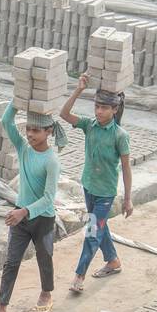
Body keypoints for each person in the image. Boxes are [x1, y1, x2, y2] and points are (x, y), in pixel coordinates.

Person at [0, 102, 62, 312]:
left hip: (43, 218)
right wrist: (18, 100)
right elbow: (6, 121)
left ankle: (46, 294)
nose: (29, 134)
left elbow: (48, 198)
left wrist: (24, 212)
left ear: (49, 131)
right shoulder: (24, 149)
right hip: (21, 215)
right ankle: (1, 309)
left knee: (44, 256)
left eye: (36, 130)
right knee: (11, 262)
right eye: (28, 129)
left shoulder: (52, 161)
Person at [58, 74, 133, 294]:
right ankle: (113, 261)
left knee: (92, 232)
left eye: (104, 108)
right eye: (97, 106)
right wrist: (79, 89)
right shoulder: (89, 126)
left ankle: (79, 276)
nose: (99, 111)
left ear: (115, 110)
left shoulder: (120, 135)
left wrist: (127, 199)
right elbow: (64, 114)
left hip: (105, 193)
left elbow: (127, 169)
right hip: (88, 186)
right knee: (99, 227)